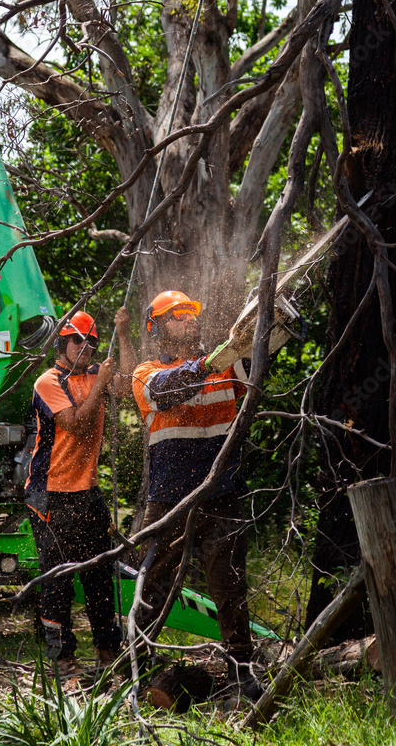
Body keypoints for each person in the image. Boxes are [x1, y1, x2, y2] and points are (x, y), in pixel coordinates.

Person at [131, 290, 262, 701]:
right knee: (154, 587)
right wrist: (211, 362)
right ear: (156, 328)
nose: (189, 319)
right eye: (177, 315)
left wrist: (263, 331)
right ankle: (134, 670)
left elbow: (256, 369)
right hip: (170, 500)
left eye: (191, 313)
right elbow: (170, 391)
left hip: (222, 492)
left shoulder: (226, 364)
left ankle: (241, 672)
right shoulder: (146, 372)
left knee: (230, 587)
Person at [24, 307, 136, 676]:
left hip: (87, 492)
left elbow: (130, 384)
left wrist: (122, 332)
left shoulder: (95, 377)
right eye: (78, 340)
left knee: (100, 578)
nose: (85, 347)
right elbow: (76, 424)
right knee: (57, 581)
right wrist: (102, 382)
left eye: (91, 342)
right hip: (50, 495)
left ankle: (108, 655)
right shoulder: (48, 381)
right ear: (62, 342)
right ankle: (64, 663)